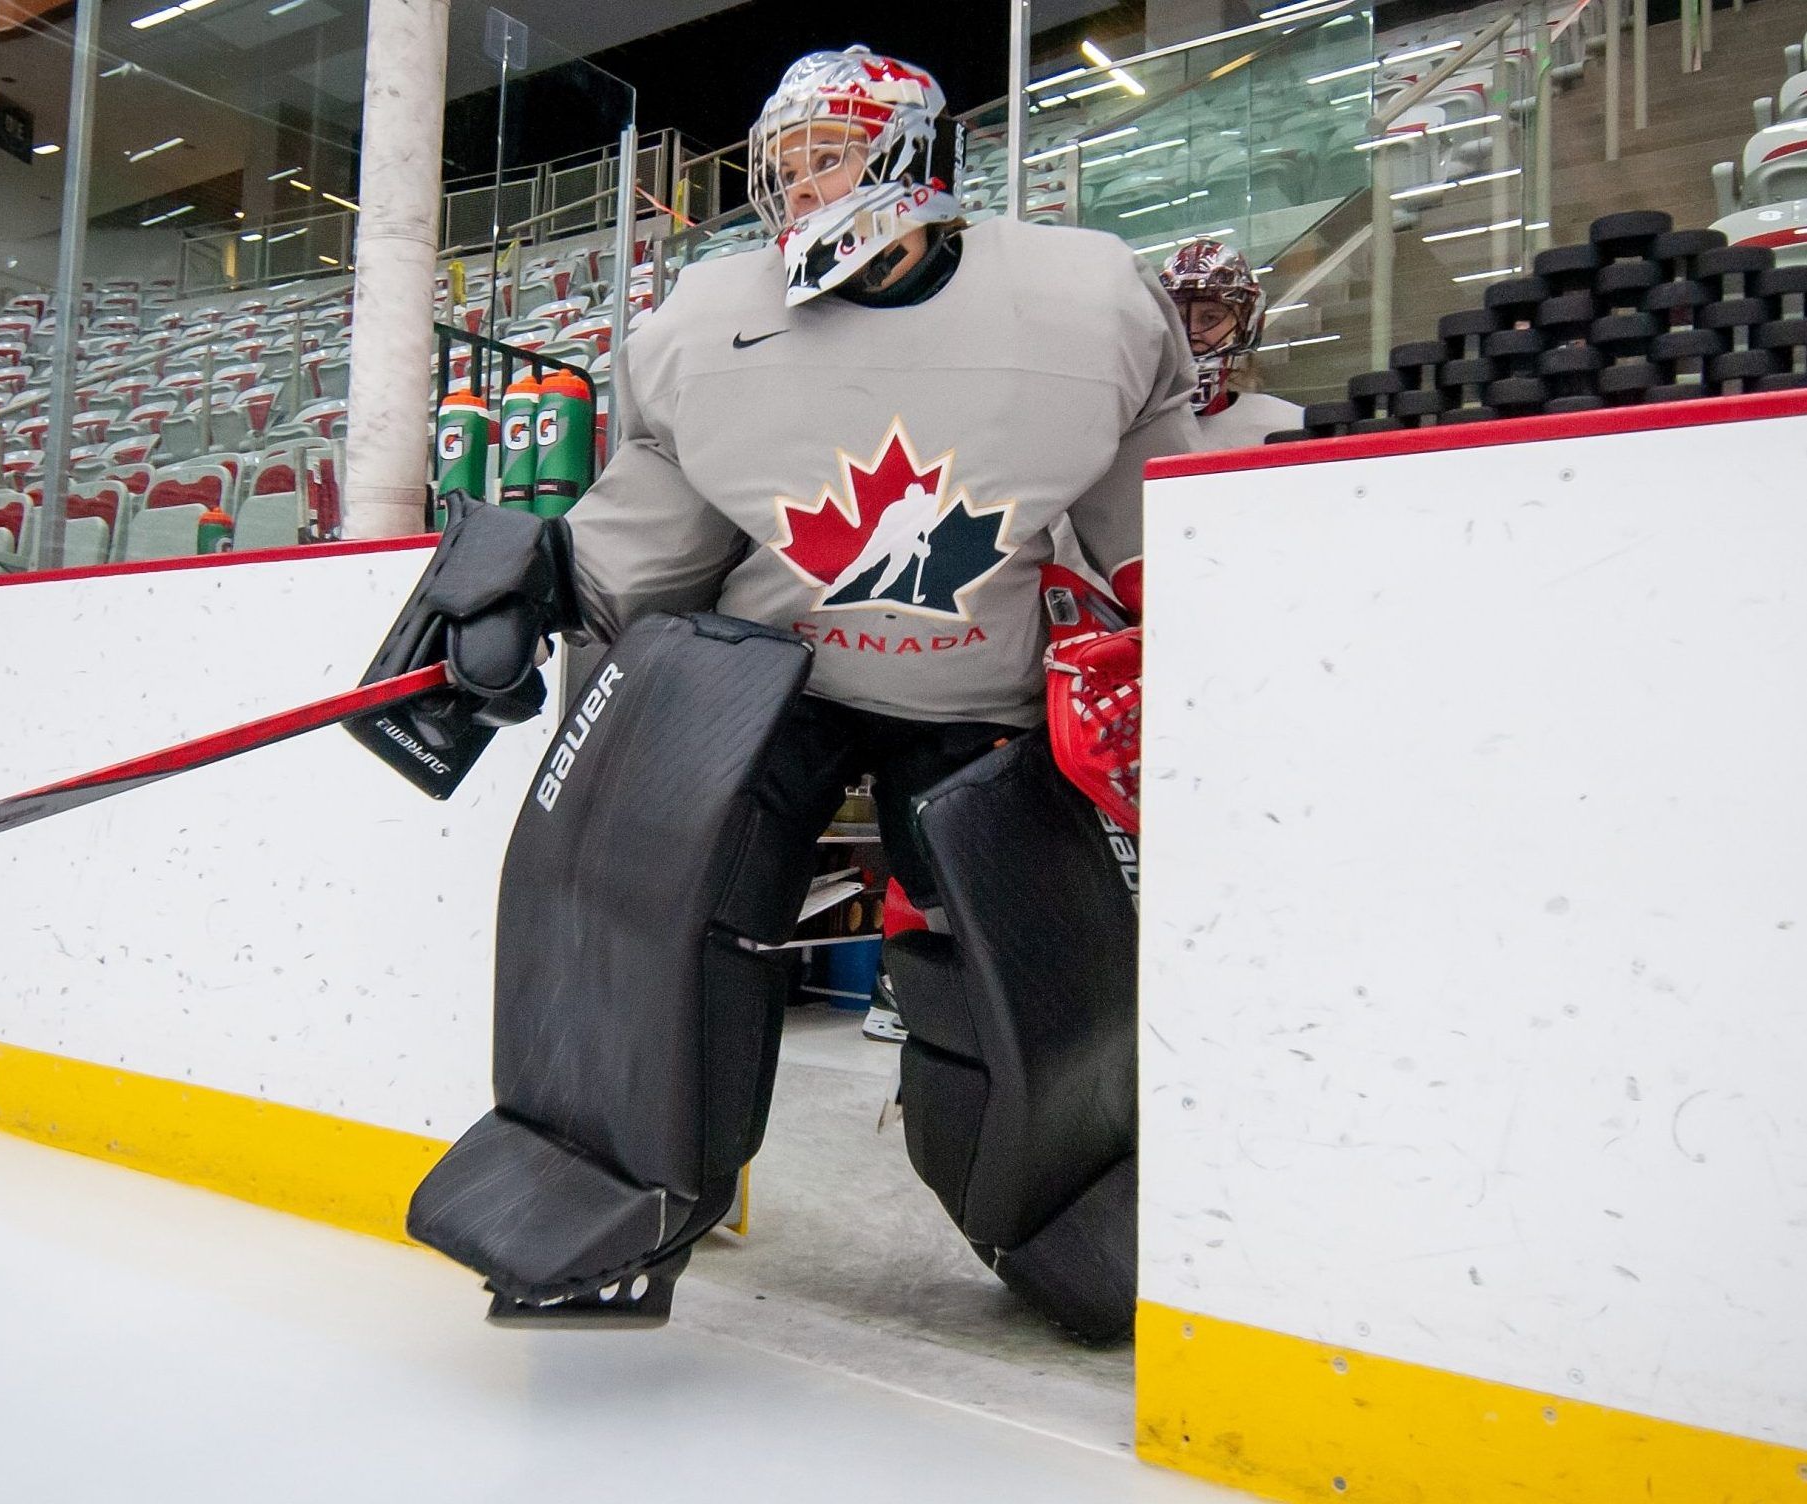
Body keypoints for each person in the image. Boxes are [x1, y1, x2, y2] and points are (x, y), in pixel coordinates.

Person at [358, 44, 1195, 1345]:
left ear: (915, 156)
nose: (803, 187)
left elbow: (1149, 516)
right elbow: (661, 527)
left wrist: (1170, 624)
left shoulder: (1087, 306)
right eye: (786, 164)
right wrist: (539, 585)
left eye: (830, 156)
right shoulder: (707, 324)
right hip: (769, 680)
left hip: (977, 693)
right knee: (644, 888)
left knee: (1033, 964)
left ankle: (1073, 1202)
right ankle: (602, 1178)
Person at [1158, 237, 1302, 450]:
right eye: (1178, 319)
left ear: (1244, 323)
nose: (1192, 334)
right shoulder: (1129, 428)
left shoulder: (1290, 427)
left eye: (1210, 318)